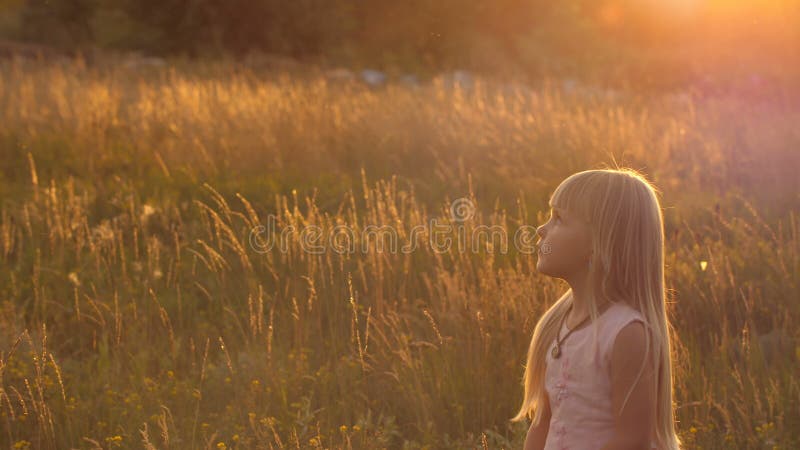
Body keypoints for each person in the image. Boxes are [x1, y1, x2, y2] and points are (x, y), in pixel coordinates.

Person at [510, 168, 682, 450]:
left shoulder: (626, 333)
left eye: (559, 219)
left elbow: (632, 440)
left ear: (600, 242)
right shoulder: (555, 326)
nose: (541, 229)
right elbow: (542, 425)